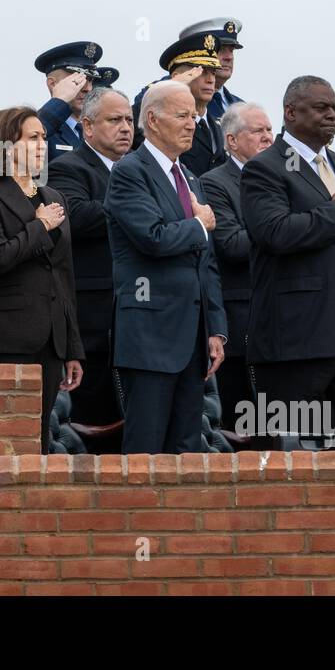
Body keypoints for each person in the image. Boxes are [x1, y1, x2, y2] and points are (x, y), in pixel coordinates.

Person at [239, 75, 335, 448]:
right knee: (292, 457)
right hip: (295, 345)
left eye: (334, 108)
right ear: (291, 112)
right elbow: (274, 232)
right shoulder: (265, 168)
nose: (332, 115)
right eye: (321, 108)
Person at [106, 80, 227, 454]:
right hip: (150, 336)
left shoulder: (188, 176)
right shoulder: (130, 171)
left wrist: (216, 329)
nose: (192, 123)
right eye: (182, 115)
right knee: (146, 448)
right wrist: (199, 225)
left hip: (192, 337)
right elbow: (153, 238)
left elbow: (205, 263)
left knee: (187, 448)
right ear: (154, 120)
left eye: (193, 115)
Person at [0, 106, 84, 451]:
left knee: (39, 438)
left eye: (44, 137)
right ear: (6, 144)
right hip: (3, 334)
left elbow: (63, 272)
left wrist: (72, 348)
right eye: (33, 137)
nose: (42, 144)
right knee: (2, 438)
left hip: (51, 339)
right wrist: (40, 225)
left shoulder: (53, 196)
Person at [46, 86, 134, 430]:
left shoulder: (137, 169)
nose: (125, 127)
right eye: (115, 120)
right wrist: (135, 205)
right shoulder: (69, 167)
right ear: (88, 126)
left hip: (135, 312)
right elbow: (78, 217)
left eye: (129, 119)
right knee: (95, 421)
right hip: (94, 316)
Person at [199, 101, 274, 444]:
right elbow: (231, 244)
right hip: (241, 323)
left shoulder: (285, 178)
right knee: (241, 431)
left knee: (282, 433)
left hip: (287, 325)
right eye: (258, 131)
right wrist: (284, 230)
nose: (268, 137)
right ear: (230, 141)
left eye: (270, 130)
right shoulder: (214, 183)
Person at [132, 30, 225, 175]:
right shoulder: (163, 121)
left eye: (213, 72)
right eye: (202, 72)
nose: (211, 79)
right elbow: (132, 128)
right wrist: (168, 88)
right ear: (177, 77)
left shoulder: (218, 126)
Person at [32, 42, 101, 162]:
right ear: (53, 84)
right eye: (78, 79)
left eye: (90, 80)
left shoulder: (97, 130)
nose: (88, 88)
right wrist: (59, 101)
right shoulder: (38, 126)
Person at [181, 17, 246, 120]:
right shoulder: (170, 95)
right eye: (220, 49)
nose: (229, 57)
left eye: (231, 50)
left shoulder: (242, 108)